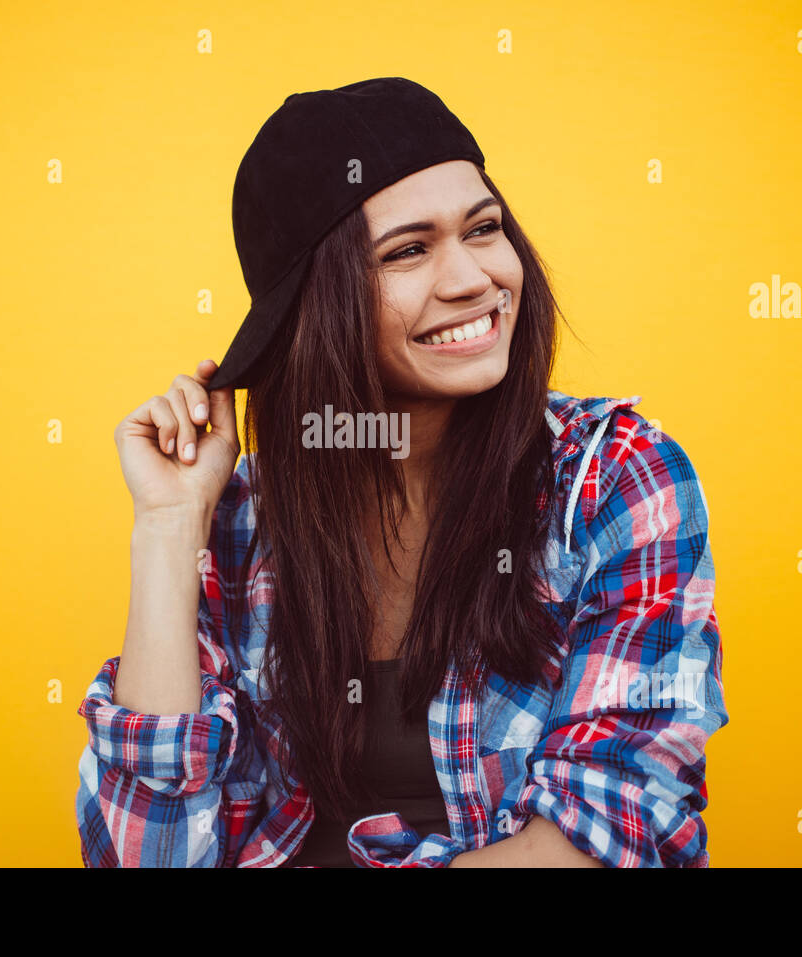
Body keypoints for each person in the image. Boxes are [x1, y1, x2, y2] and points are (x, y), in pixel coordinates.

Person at [75, 77, 728, 867]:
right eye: (408, 251)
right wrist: (169, 529)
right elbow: (150, 856)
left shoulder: (615, 478)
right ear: (318, 302)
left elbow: (609, 832)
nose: (473, 279)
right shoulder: (238, 520)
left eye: (484, 229)